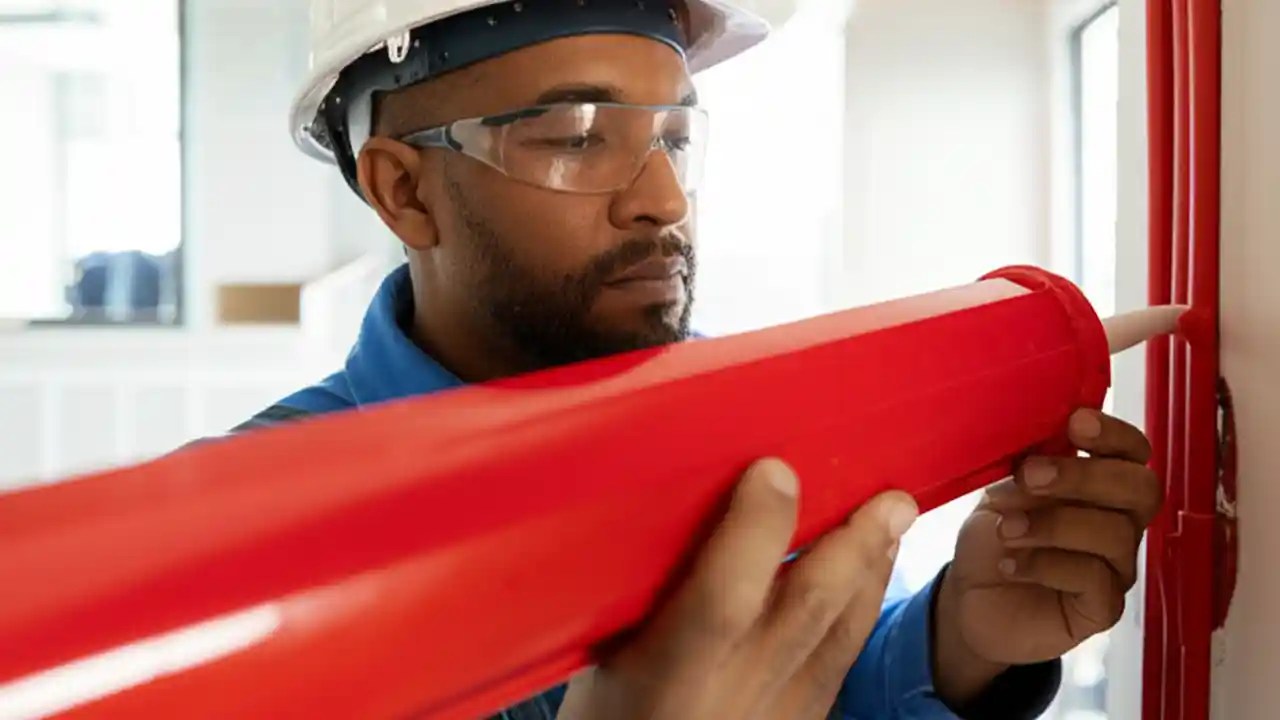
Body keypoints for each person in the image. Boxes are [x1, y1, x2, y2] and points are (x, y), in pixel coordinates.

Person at [241, 1, 1165, 717]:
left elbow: (830, 673)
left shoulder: (751, 416)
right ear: (403, 191)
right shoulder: (245, 543)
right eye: (576, 139)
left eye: (676, 139)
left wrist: (961, 637)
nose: (664, 201)